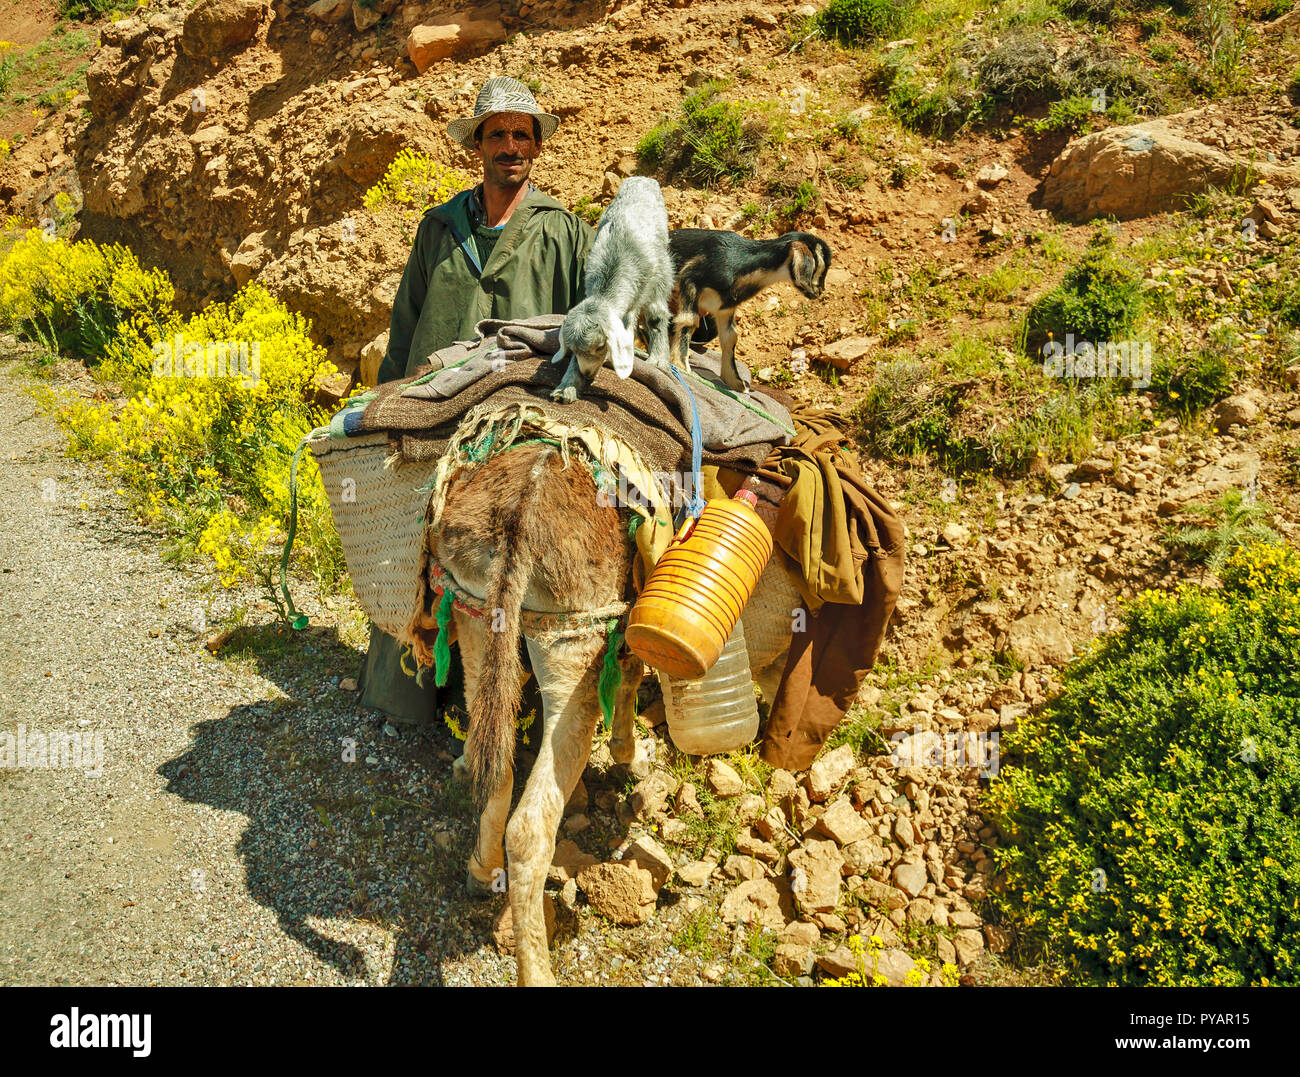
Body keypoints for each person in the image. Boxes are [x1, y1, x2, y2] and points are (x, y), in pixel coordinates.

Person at [359, 76, 597, 724]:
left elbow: (587, 328)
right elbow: (406, 325)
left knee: (507, 555)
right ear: (479, 146)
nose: (511, 145)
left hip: (521, 421)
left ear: (537, 147)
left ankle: (506, 709)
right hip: (434, 418)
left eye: (523, 134)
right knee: (418, 545)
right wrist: (386, 403)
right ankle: (410, 689)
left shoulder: (564, 232)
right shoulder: (438, 229)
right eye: (498, 134)